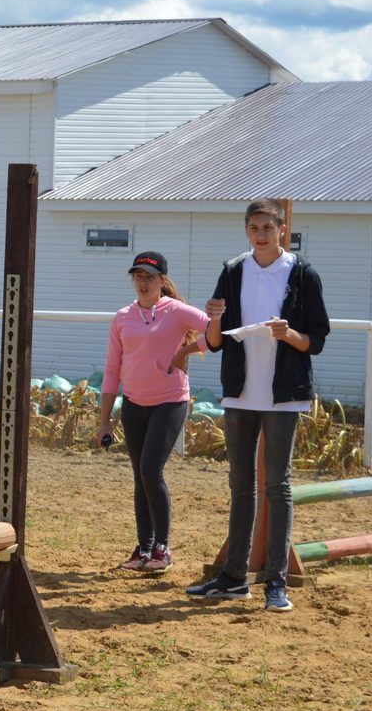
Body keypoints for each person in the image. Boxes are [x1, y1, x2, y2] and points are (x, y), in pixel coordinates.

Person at [186, 199, 331, 612]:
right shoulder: (233, 271)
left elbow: (316, 341)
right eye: (254, 228)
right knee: (240, 483)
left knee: (277, 485)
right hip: (239, 392)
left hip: (283, 394)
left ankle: (276, 582)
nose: (261, 234)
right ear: (247, 231)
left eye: (268, 227)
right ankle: (234, 576)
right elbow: (214, 341)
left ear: (282, 229)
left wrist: (289, 336)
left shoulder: (303, 274)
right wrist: (212, 317)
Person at [97, 251, 209, 574]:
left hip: (170, 402)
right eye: (138, 277)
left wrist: (188, 350)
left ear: (162, 281)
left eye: (149, 277)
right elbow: (111, 370)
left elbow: (216, 331)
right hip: (133, 405)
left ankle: (162, 547)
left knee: (150, 470)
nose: (143, 283)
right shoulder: (122, 318)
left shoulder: (176, 312)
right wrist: (105, 420)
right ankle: (143, 548)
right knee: (139, 476)